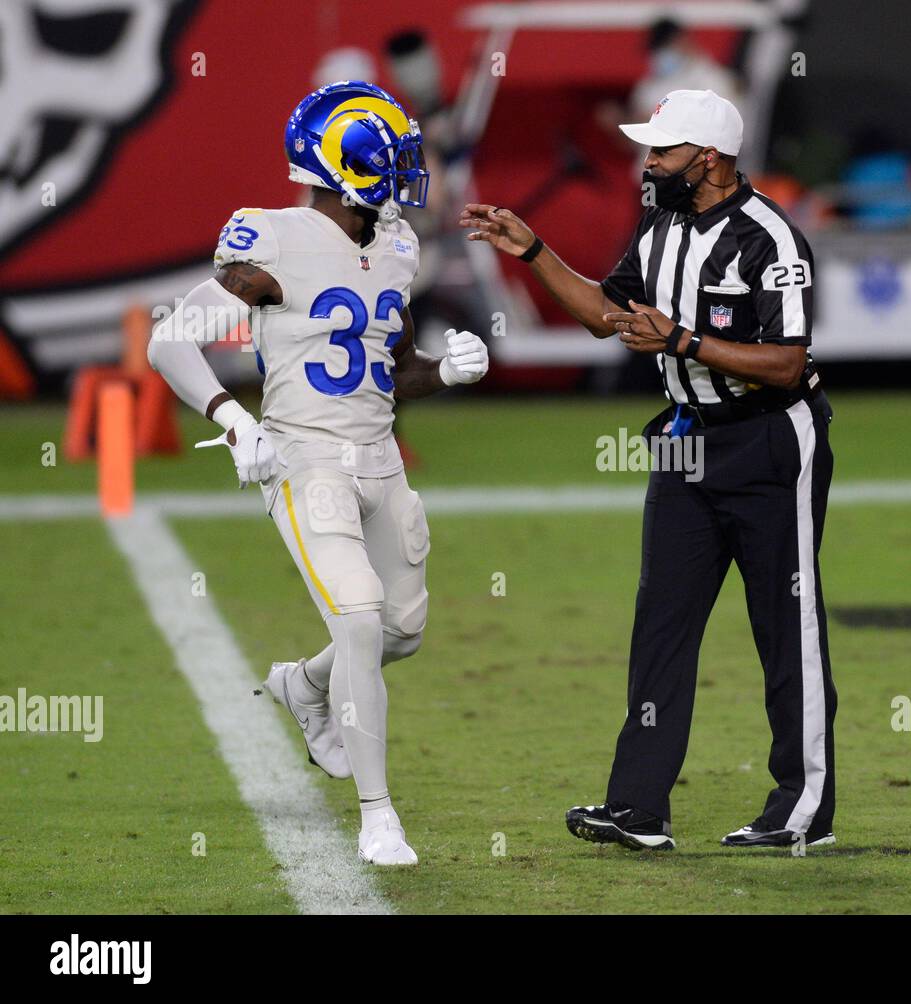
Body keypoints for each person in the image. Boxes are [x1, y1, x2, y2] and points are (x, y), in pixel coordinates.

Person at [461, 89, 836, 852]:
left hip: (769, 442)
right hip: (687, 439)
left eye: (662, 151)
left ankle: (803, 808)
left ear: (709, 158)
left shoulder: (769, 238)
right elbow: (609, 313)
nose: (648, 162)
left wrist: (685, 343)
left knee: (785, 628)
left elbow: (791, 364)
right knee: (660, 624)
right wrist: (533, 252)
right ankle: (638, 807)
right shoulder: (662, 225)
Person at [147, 81, 490, 866]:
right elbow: (171, 341)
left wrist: (448, 373)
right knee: (363, 618)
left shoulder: (398, 245)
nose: (408, 173)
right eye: (395, 158)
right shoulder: (273, 240)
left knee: (401, 630)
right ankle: (379, 816)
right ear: (347, 163)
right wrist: (234, 424)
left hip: (380, 460)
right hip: (304, 460)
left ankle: (303, 686)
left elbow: (390, 371)